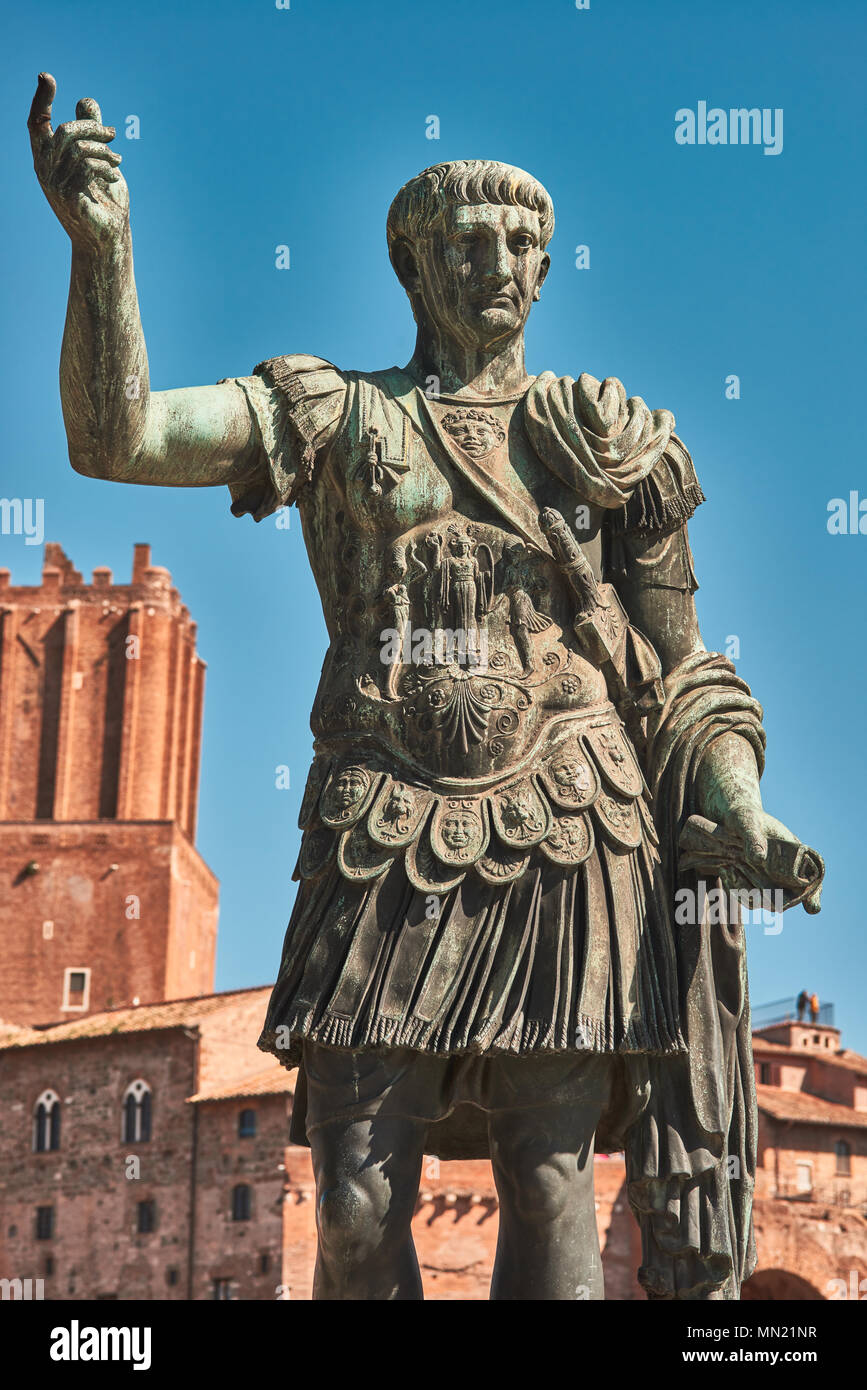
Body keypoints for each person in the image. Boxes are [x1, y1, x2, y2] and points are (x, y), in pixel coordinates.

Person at [28, 73, 823, 1301]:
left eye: (521, 243)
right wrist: (104, 248)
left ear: (548, 268)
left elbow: (684, 669)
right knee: (350, 1198)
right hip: (377, 835)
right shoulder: (335, 413)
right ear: (411, 266)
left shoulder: (609, 438)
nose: (496, 261)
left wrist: (738, 798)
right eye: (464, 241)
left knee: (552, 1177)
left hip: (572, 822)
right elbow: (115, 436)